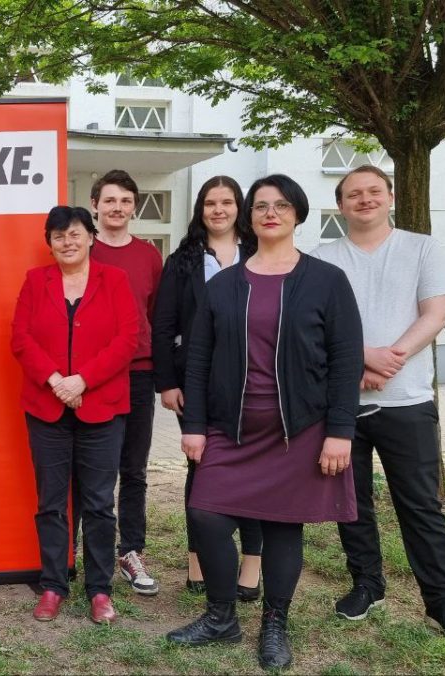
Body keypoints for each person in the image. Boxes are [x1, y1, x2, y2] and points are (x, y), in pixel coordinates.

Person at [166, 174, 363, 670]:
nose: (269, 213)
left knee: (281, 528)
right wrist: (195, 425)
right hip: (231, 429)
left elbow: (345, 359)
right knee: (206, 514)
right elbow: (199, 358)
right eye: (260, 206)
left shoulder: (325, 280)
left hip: (298, 430)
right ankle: (220, 618)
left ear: (297, 213)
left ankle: (275, 623)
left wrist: (340, 431)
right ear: (250, 217)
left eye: (280, 205)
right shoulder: (226, 284)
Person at [312, 165, 445, 651]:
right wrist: (362, 358)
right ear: (341, 205)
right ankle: (367, 584)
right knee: (352, 503)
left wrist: (391, 359)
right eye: (352, 194)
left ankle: (443, 601)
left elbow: (437, 313)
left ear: (389, 197)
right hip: (343, 404)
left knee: (421, 506)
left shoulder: (422, 247)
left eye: (373, 192)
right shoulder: (324, 258)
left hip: (408, 400)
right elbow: (316, 328)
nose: (363, 200)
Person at [11, 205, 139, 625]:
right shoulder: (35, 281)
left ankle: (100, 590)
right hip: (47, 407)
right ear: (49, 242)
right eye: (59, 235)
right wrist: (56, 381)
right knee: (51, 502)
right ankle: (53, 585)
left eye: (76, 234)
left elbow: (127, 339)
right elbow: (21, 338)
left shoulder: (115, 280)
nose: (68, 242)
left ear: (91, 237)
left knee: (100, 504)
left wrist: (82, 380)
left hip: (100, 407)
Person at [152, 176, 263, 600]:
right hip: (195, 383)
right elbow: (163, 326)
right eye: (210, 203)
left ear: (240, 207)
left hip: (256, 382)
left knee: (255, 471)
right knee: (202, 469)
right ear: (200, 210)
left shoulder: (260, 254)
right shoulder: (183, 260)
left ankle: (251, 564)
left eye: (227, 202)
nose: (219, 210)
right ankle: (196, 561)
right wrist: (166, 382)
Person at [85, 170, 163, 596]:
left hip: (138, 373)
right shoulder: (82, 248)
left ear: (134, 207)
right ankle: (81, 553)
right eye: (109, 200)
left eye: (125, 201)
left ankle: (131, 552)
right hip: (92, 376)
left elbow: (156, 314)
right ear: (95, 204)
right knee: (93, 471)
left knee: (133, 470)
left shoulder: (149, 256)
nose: (117, 208)